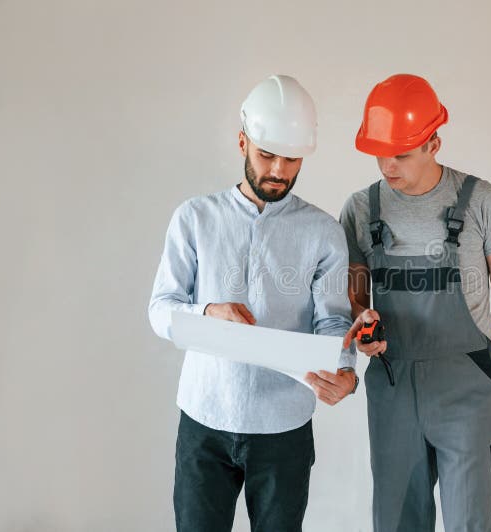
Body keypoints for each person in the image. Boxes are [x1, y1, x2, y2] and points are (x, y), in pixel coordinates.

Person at [340, 73, 491, 532]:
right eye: (380, 152)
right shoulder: (361, 210)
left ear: (433, 143)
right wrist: (363, 324)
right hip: (393, 388)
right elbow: (354, 298)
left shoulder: (481, 202)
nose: (387, 165)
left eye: (401, 154)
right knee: (398, 524)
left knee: (476, 522)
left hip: (468, 392)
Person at [148, 74, 358, 532]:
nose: (279, 171)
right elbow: (160, 309)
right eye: (267, 155)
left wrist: (345, 371)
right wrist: (207, 313)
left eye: (291, 159)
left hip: (283, 428)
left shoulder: (322, 232)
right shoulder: (194, 218)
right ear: (242, 141)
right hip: (204, 421)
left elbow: (333, 320)